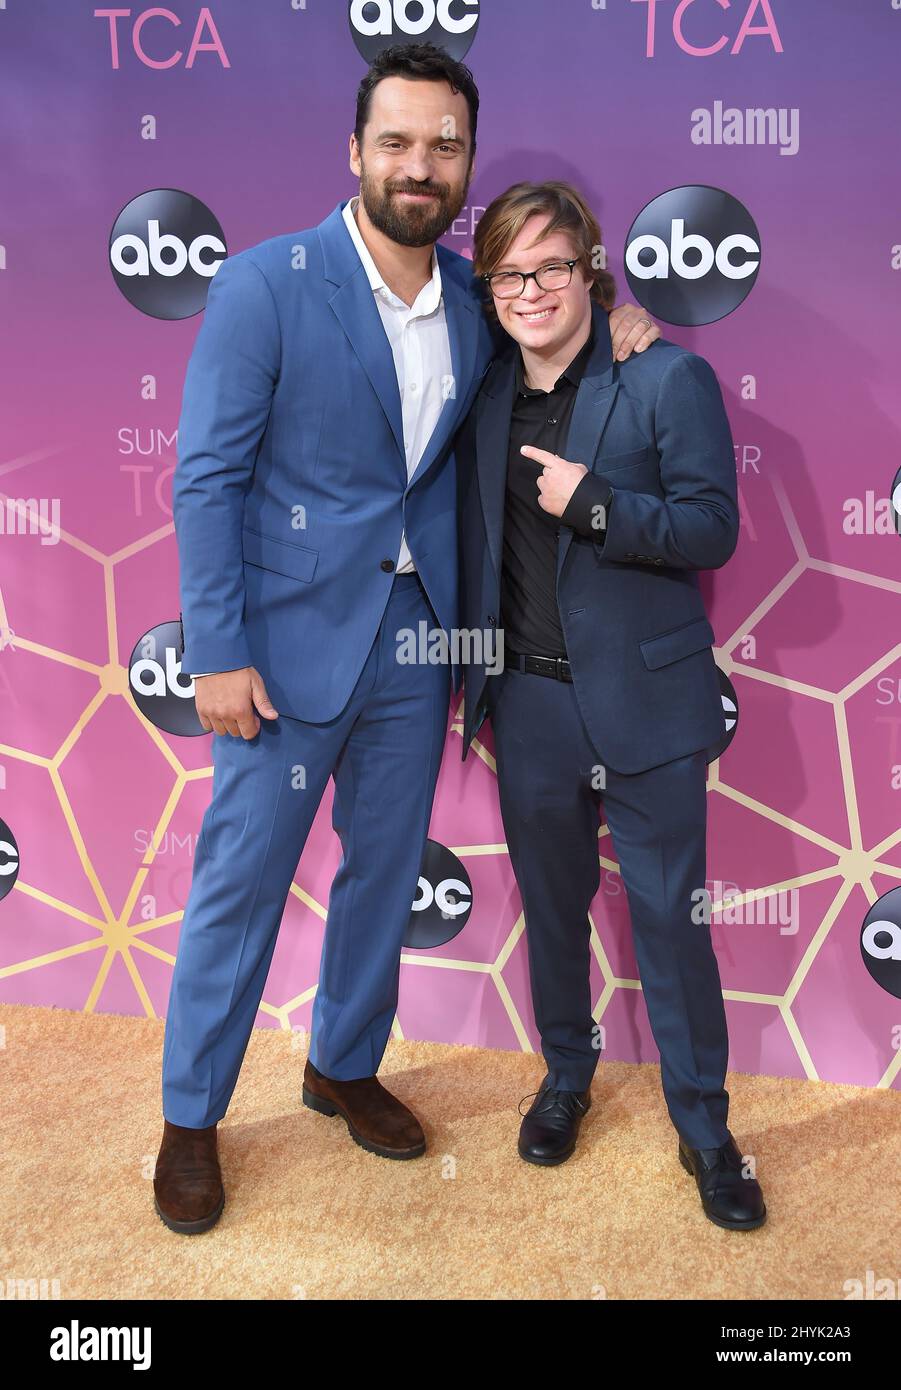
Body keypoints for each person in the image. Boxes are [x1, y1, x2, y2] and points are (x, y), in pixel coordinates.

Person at [157, 47, 658, 1234]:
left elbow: (555, 348)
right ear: (355, 151)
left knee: (384, 873)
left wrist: (623, 326)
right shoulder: (265, 285)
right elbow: (206, 478)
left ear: (467, 163)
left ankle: (340, 1062)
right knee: (242, 883)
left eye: (442, 145)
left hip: (416, 643)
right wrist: (215, 649)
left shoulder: (478, 308)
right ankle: (189, 1117)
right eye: (396, 142)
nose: (418, 165)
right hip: (278, 652)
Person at [456, 179, 766, 1231]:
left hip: (649, 701)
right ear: (488, 284)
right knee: (552, 915)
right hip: (529, 706)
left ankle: (707, 1130)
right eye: (509, 271)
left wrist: (594, 502)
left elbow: (713, 527)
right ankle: (563, 1078)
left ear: (591, 267)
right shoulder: (483, 387)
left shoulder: (667, 375)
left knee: (671, 927)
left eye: (552, 266)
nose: (530, 289)